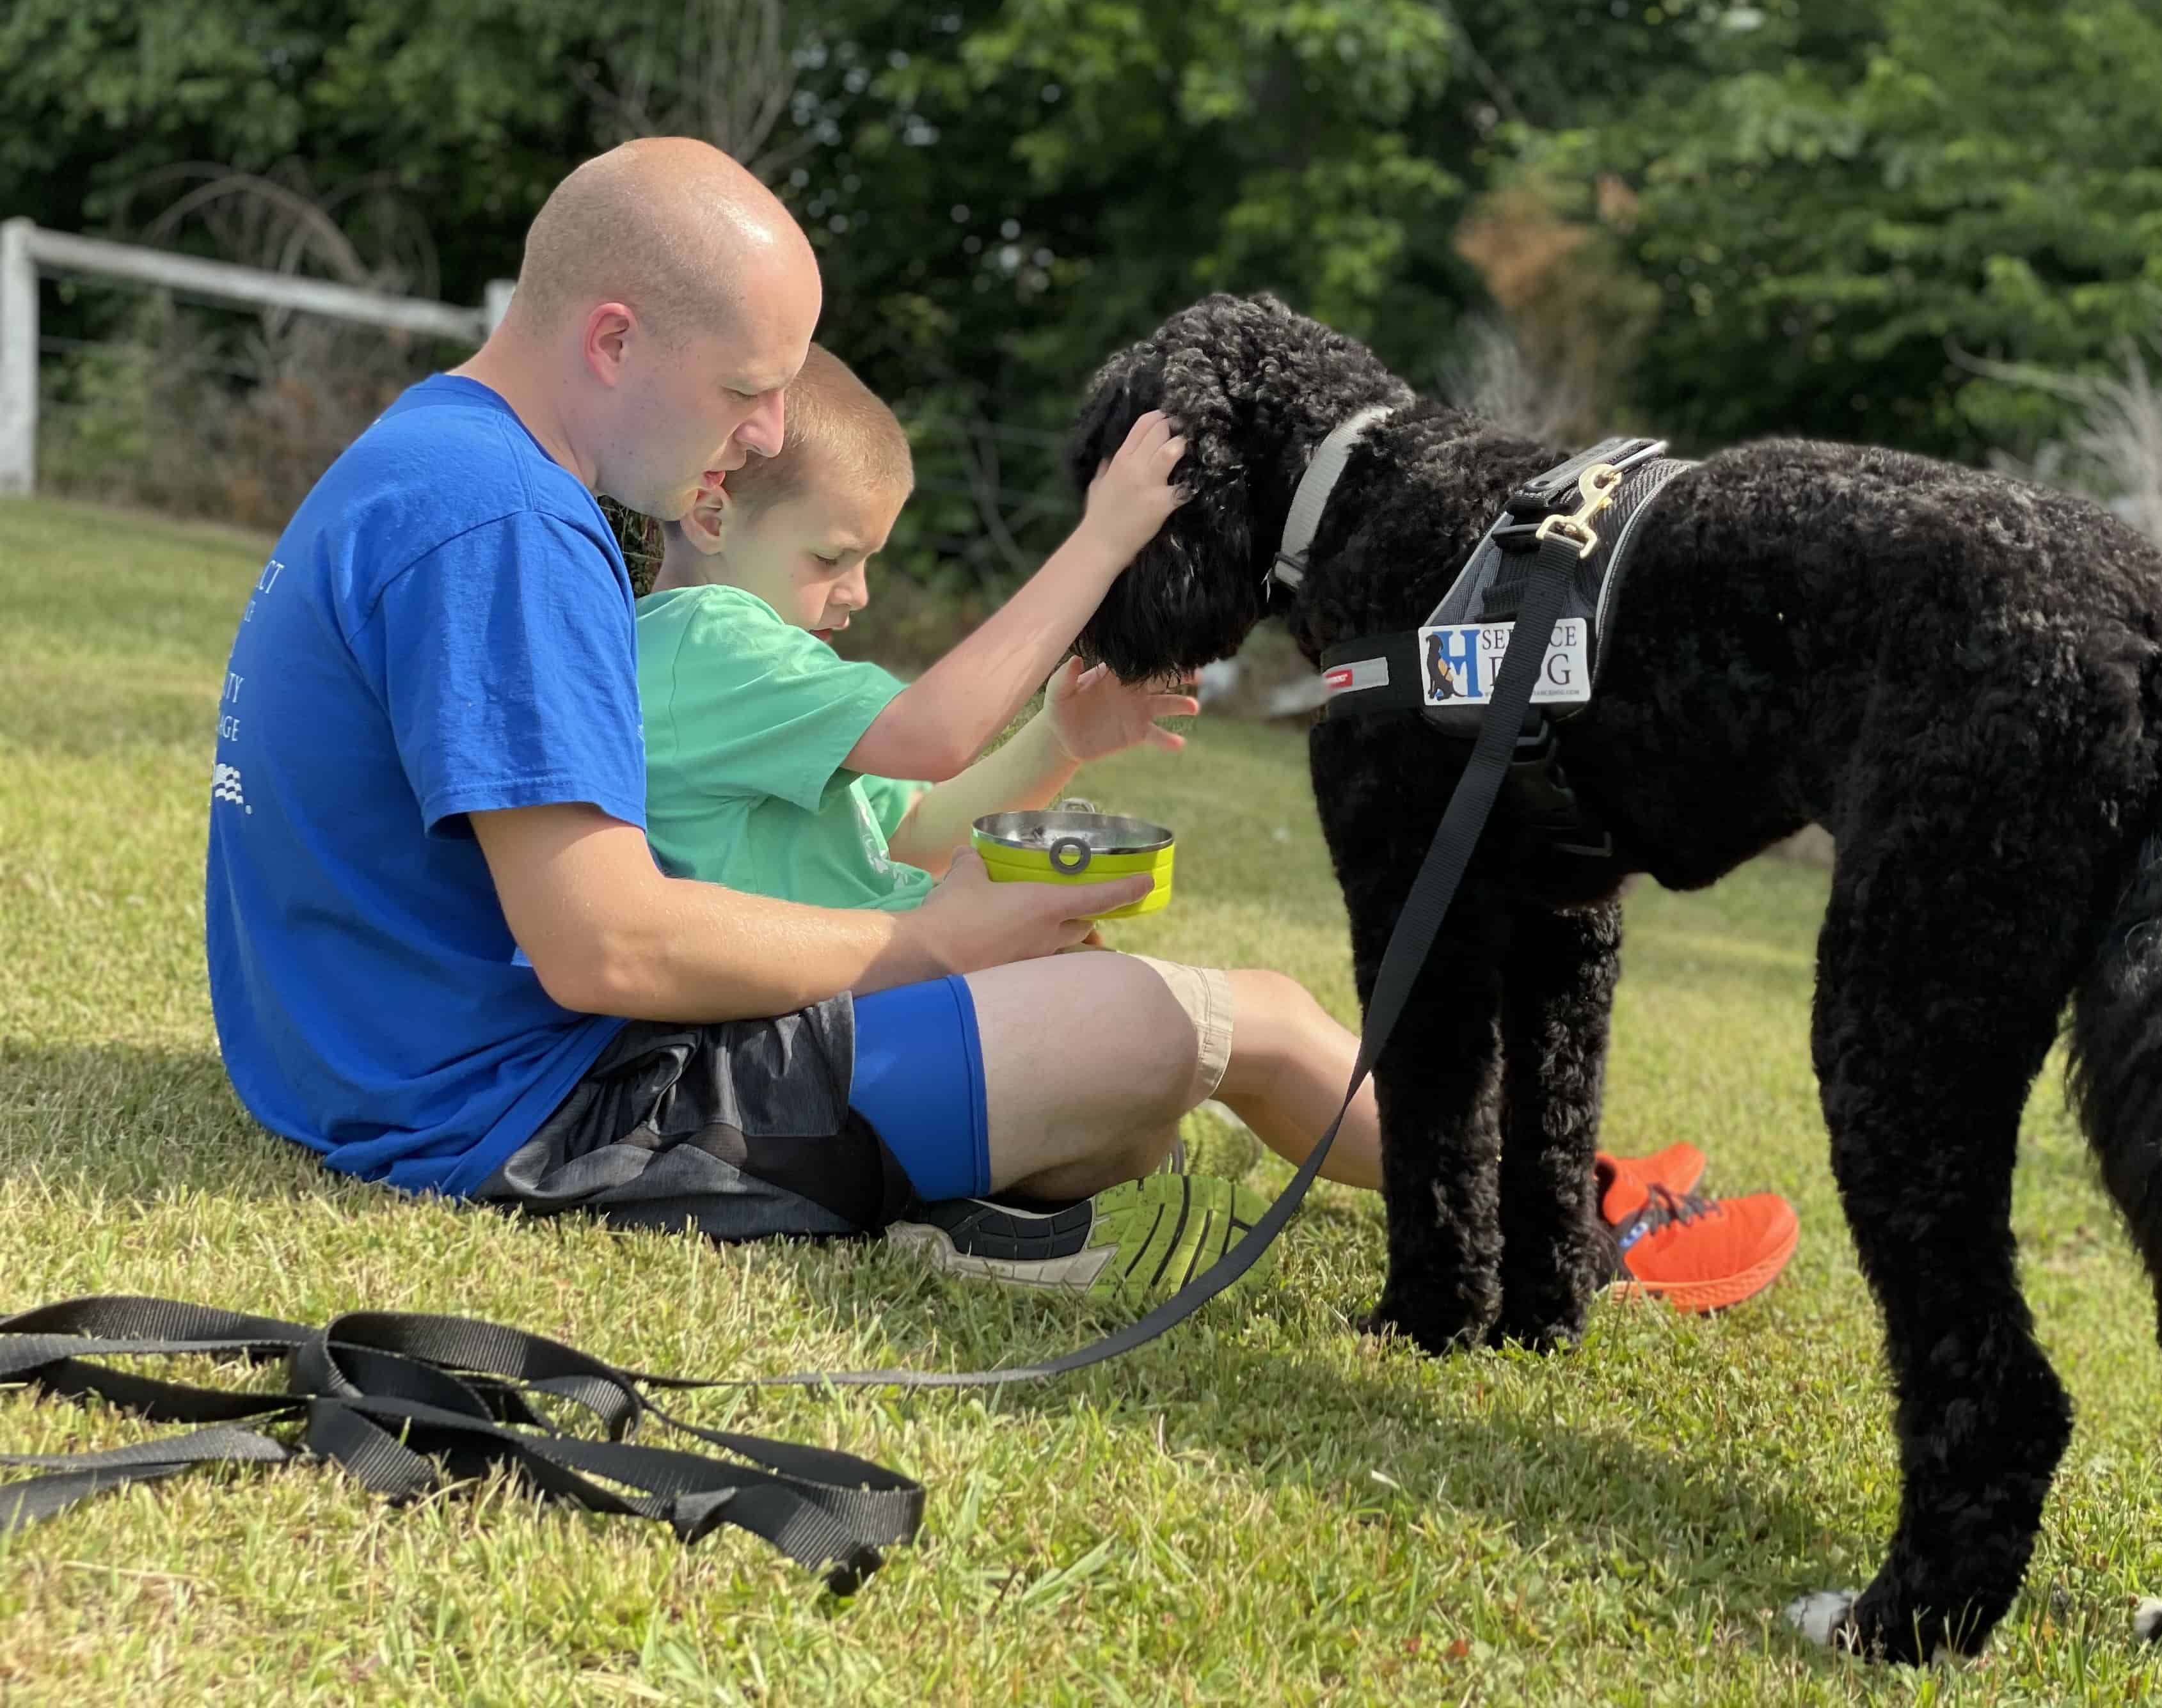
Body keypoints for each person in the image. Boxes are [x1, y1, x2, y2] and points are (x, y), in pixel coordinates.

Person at [203, 134, 1789, 1315]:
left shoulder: (432, 456)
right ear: (614, 339)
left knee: (1142, 1069)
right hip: (521, 1114)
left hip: (374, 1072)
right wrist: (932, 942)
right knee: (1165, 1032)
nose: (765, 433)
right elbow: (604, 949)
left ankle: (1498, 1178)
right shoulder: (505, 525)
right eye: (750, 390)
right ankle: (1573, 1222)